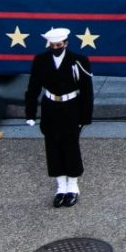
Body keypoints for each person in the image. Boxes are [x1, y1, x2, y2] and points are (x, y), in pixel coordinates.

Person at [25, 26, 93, 209]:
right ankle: (60, 187)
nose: (56, 48)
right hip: (50, 106)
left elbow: (87, 90)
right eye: (53, 45)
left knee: (70, 146)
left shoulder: (78, 61)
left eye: (59, 45)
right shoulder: (41, 60)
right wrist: (30, 113)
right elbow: (33, 88)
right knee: (53, 146)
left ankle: (73, 186)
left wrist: (85, 116)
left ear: (66, 43)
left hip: (71, 106)